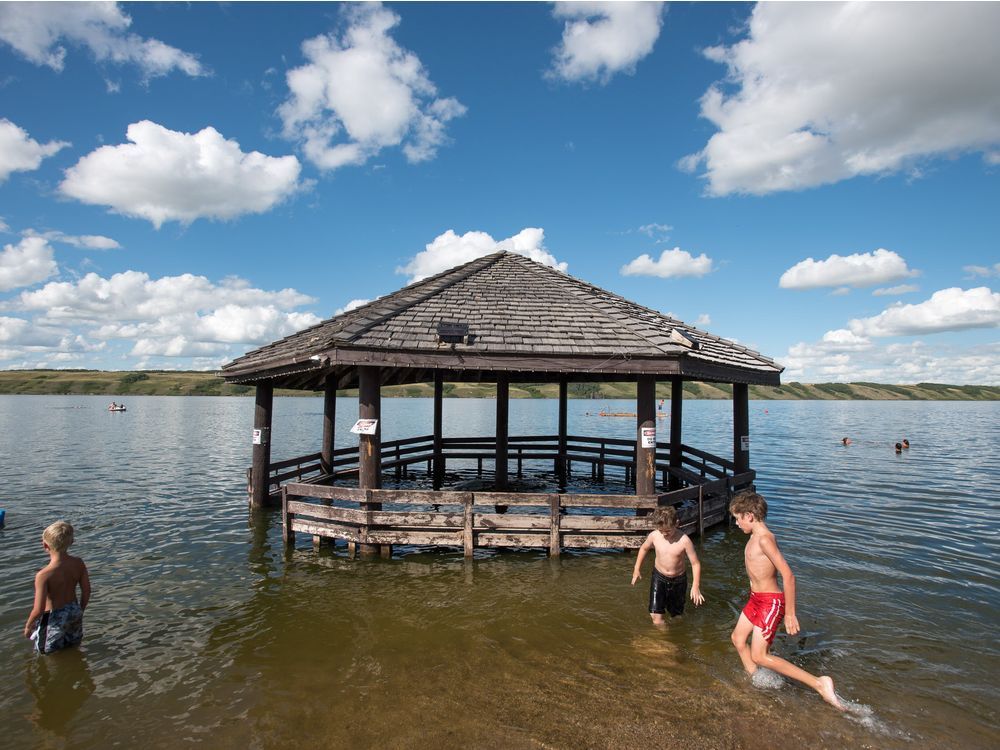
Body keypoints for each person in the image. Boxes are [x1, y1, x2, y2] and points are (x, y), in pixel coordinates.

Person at [729, 492, 843, 710]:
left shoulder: (764, 539)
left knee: (759, 655)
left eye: (738, 518)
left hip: (770, 602)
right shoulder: (754, 536)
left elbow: (788, 575)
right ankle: (757, 681)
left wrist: (790, 613)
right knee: (738, 639)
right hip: (756, 600)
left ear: (750, 516)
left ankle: (819, 683)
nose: (736, 523)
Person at [24, 521, 90, 655]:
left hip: (53, 617)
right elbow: (87, 591)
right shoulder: (78, 563)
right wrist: (80, 610)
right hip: (74, 610)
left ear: (45, 545)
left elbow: (38, 609)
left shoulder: (43, 575)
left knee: (45, 654)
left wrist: (28, 626)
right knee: (73, 647)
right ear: (72, 542)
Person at [631, 506, 704, 624]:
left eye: (668, 531)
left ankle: (675, 634)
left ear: (677, 523)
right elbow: (644, 548)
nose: (665, 534)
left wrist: (695, 586)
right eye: (661, 531)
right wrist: (636, 569)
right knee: (655, 616)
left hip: (678, 580)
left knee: (676, 616)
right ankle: (662, 639)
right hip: (659, 577)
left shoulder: (684, 541)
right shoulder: (654, 536)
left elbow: (695, 564)